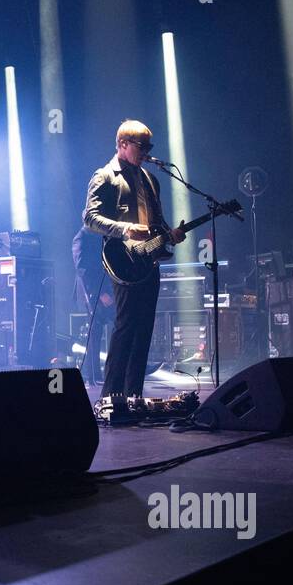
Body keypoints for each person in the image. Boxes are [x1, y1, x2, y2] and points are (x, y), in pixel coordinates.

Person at [82, 120, 185, 397]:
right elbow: (89, 218)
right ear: (123, 144)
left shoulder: (150, 180)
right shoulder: (105, 176)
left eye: (149, 146)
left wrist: (170, 234)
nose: (147, 151)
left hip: (148, 261)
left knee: (144, 330)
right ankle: (111, 397)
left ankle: (133, 396)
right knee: (126, 326)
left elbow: (157, 222)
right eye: (143, 146)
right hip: (122, 262)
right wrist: (124, 228)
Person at [71, 225, 112, 385]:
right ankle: (93, 375)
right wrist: (100, 293)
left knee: (97, 333)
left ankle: (94, 375)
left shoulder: (97, 237)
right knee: (98, 333)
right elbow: (82, 270)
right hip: (91, 294)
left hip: (101, 291)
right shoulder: (80, 238)